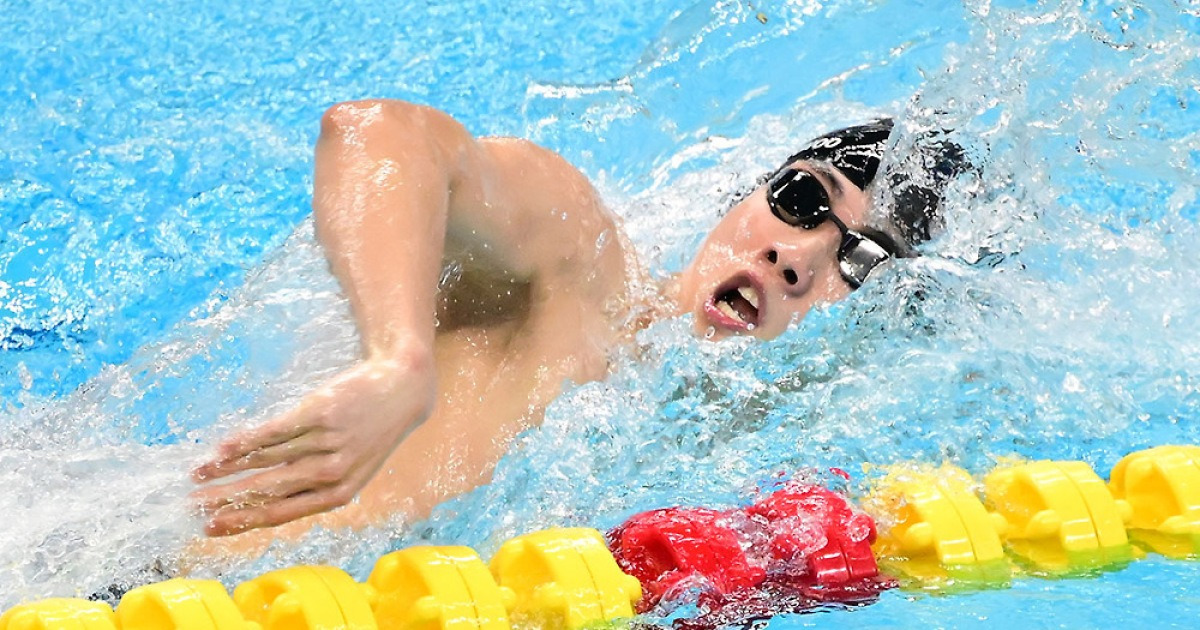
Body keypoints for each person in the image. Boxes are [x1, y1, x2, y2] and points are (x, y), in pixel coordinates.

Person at [188, 99, 956, 553]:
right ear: (746, 193)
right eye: (800, 200)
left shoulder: (765, 468)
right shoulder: (576, 264)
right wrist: (400, 359)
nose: (795, 259)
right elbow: (376, 132)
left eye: (859, 265)